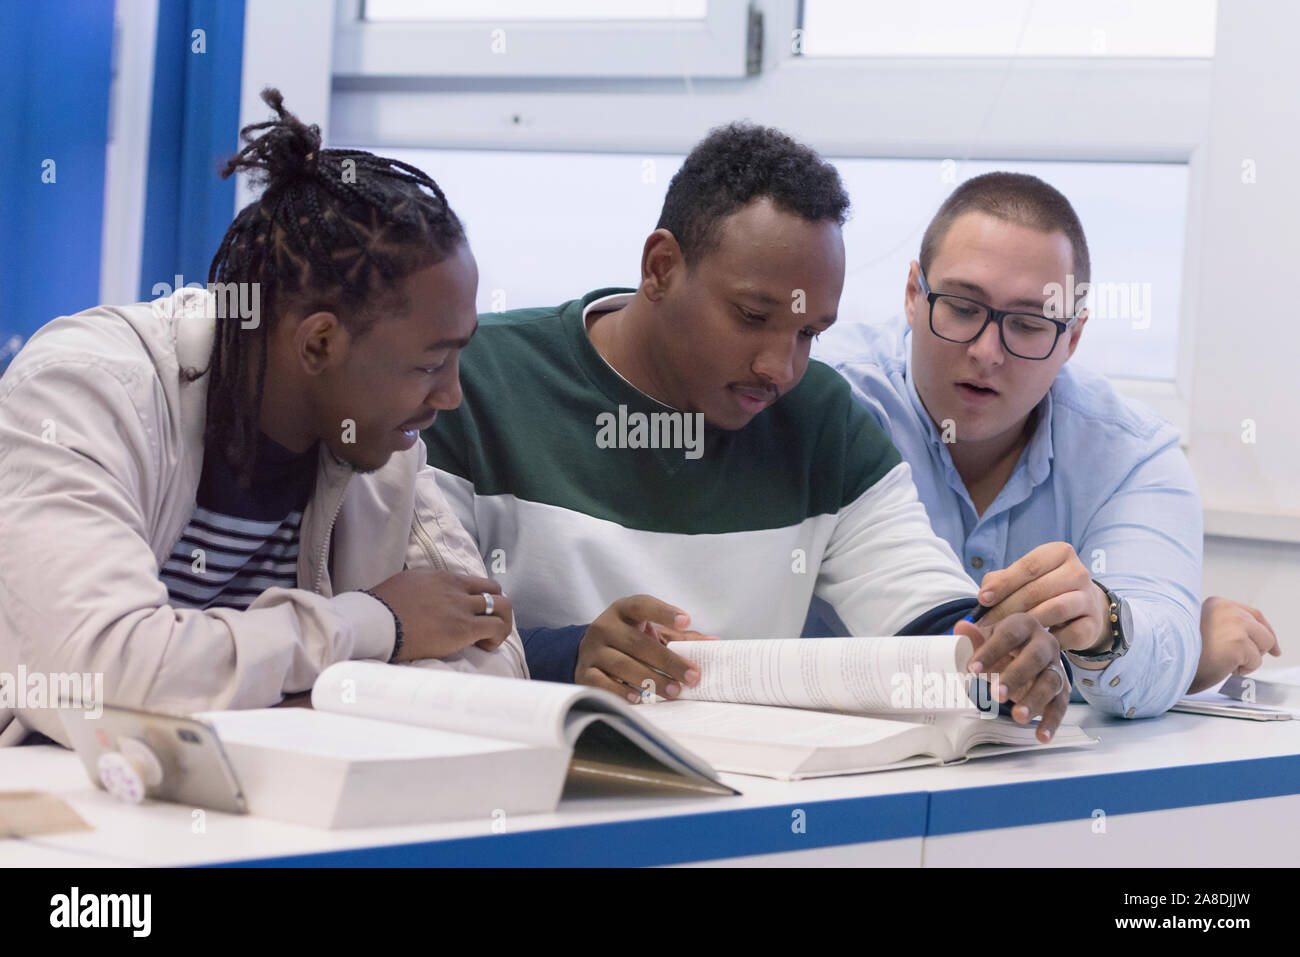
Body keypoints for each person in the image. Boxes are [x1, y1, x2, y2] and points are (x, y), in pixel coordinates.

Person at [426, 124, 1071, 742]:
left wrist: (1005, 653)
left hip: (750, 801)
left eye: (809, 335)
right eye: (751, 316)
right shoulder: (471, 382)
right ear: (660, 267)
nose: (780, 368)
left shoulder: (824, 420)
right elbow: (405, 632)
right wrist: (568, 656)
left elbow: (928, 617)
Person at [0, 90, 525, 747]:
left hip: (254, 814)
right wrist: (370, 624)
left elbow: (490, 657)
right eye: (429, 364)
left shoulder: (376, 443)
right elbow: (98, 675)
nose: (449, 394)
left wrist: (303, 692)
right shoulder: (85, 389)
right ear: (318, 345)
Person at [815, 171, 1278, 717]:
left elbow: (1158, 637)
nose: (988, 352)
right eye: (963, 309)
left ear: (1072, 337)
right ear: (915, 296)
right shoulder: (825, 405)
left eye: (1029, 324)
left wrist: (1108, 630)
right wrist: (1189, 663)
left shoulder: (1132, 457)